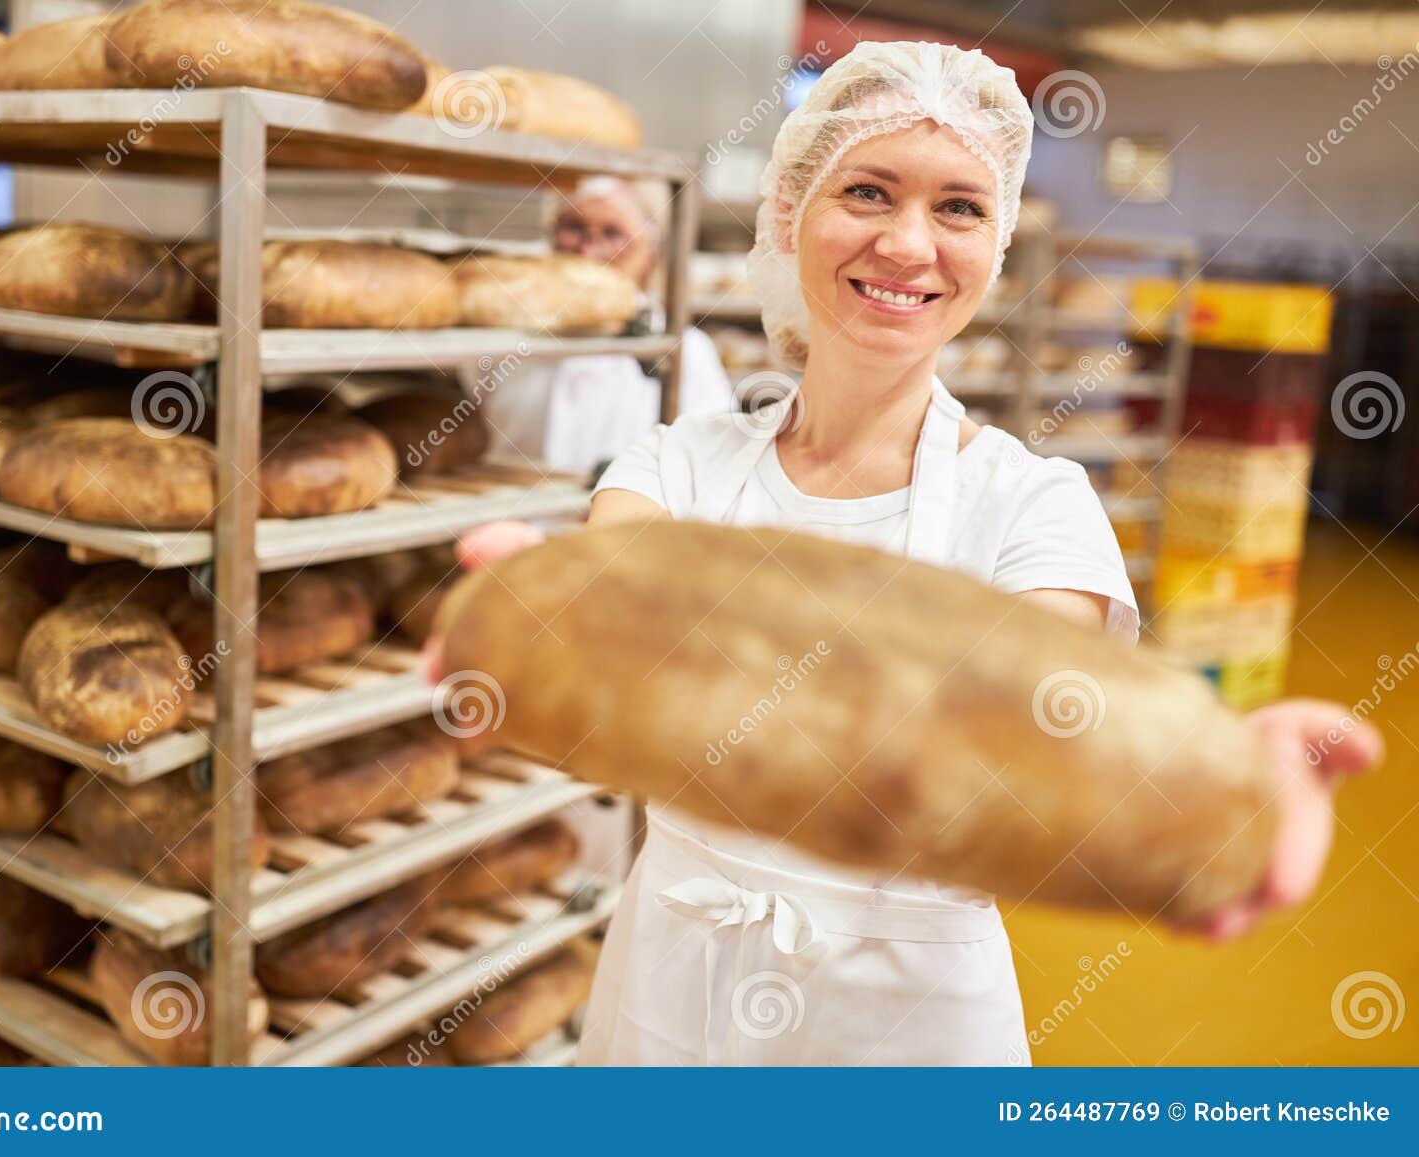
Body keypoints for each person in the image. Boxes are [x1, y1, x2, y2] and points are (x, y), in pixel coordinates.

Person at [428, 42, 1381, 1065]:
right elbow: (606, 646)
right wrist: (538, 622)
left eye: (960, 207)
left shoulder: (1035, 506)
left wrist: (1202, 772)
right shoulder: (675, 462)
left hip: (907, 1029)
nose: (906, 243)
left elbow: (1044, 735)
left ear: (997, 242)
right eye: (868, 191)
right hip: (670, 982)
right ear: (792, 213)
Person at [479, 177, 736, 476]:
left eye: (613, 233)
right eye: (573, 227)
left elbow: (714, 466)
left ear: (652, 251)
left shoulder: (687, 351)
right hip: (504, 519)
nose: (588, 250)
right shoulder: (503, 340)